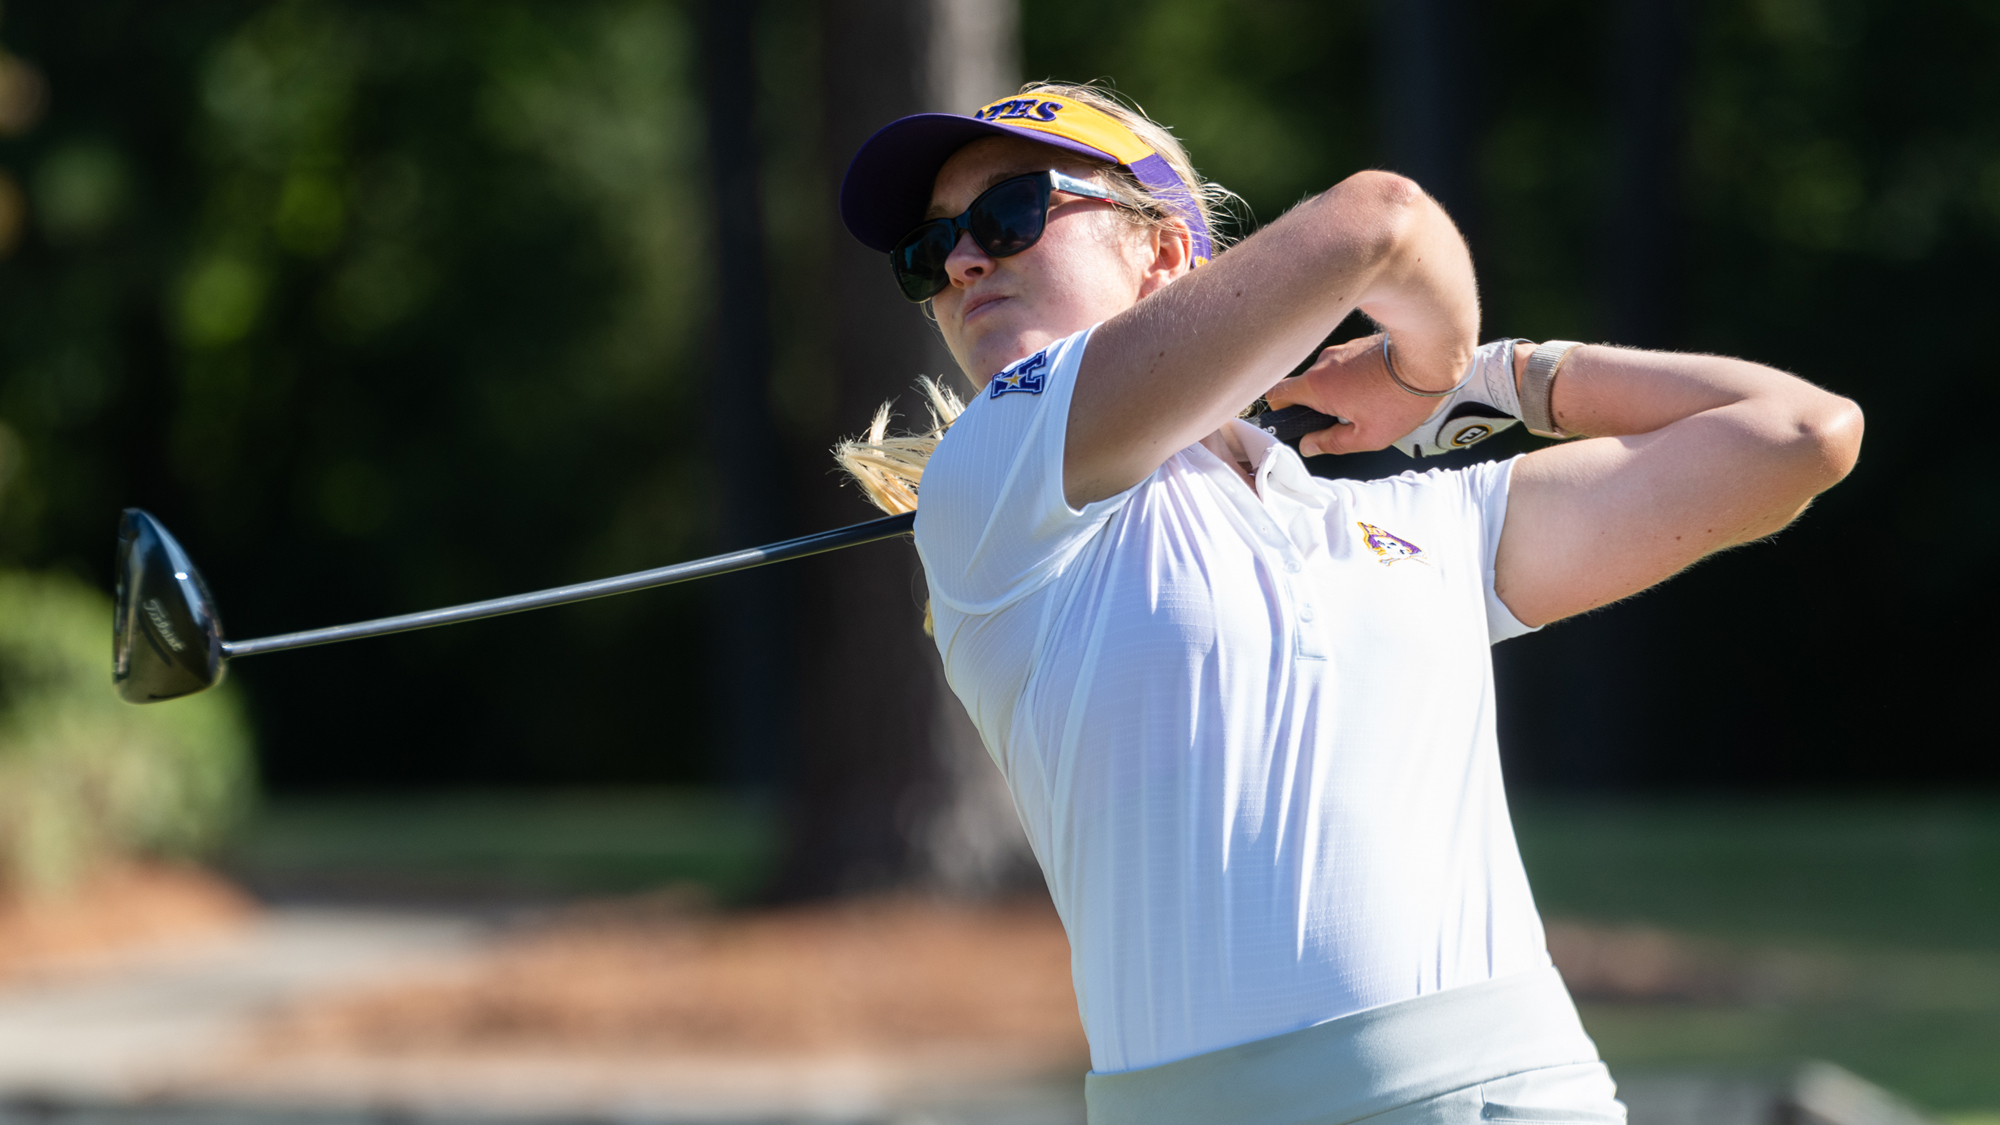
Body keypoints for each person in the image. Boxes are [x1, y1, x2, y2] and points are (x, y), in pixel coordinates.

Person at [833, 82, 1861, 1124]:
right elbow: (1382, 223)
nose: (962, 261)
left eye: (1006, 217)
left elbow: (1795, 433)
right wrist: (1433, 362)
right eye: (930, 251)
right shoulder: (988, 474)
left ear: (1163, 251)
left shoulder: (1423, 529)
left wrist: (1494, 386)